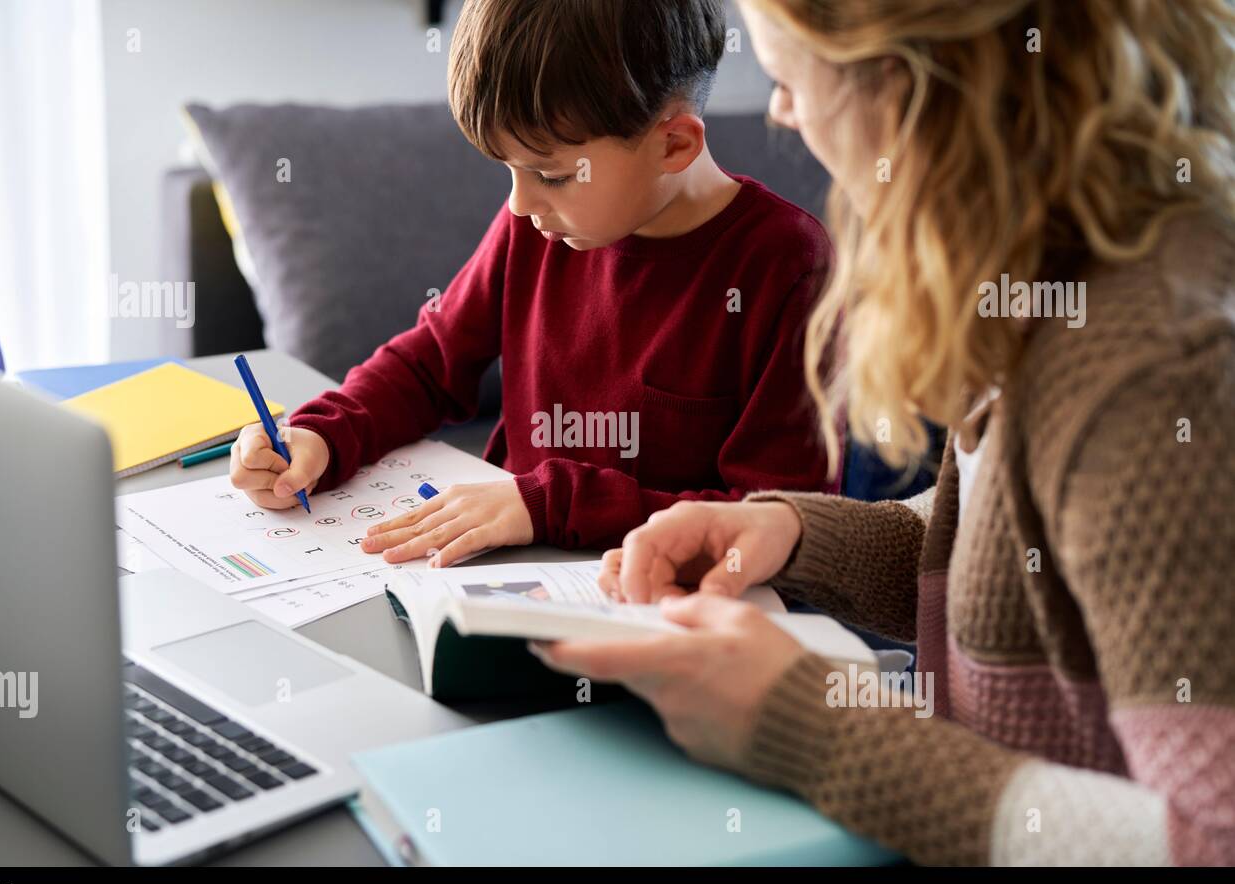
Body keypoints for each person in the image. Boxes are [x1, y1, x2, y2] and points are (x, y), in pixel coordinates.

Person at [536, 0, 1235, 866]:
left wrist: (812, 727)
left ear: (909, 87)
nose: (784, 112)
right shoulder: (1050, 270)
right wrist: (791, 533)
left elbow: (1208, 849)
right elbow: (1015, 557)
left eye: (790, 80)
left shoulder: (1151, 369)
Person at [229, 0, 838, 566]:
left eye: (550, 174)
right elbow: (430, 364)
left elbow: (778, 523)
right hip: (502, 576)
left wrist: (547, 503)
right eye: (509, 170)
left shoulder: (788, 268)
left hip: (673, 615)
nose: (519, 204)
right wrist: (323, 433)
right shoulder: (539, 227)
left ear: (673, 144)